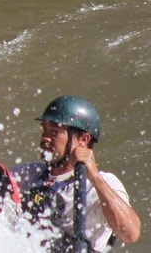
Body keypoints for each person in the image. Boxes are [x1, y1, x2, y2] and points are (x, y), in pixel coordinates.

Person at [14, 95, 141, 251]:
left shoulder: (100, 184)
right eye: (44, 130)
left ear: (83, 139)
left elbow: (130, 234)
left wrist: (95, 177)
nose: (45, 138)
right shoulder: (30, 174)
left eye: (54, 132)